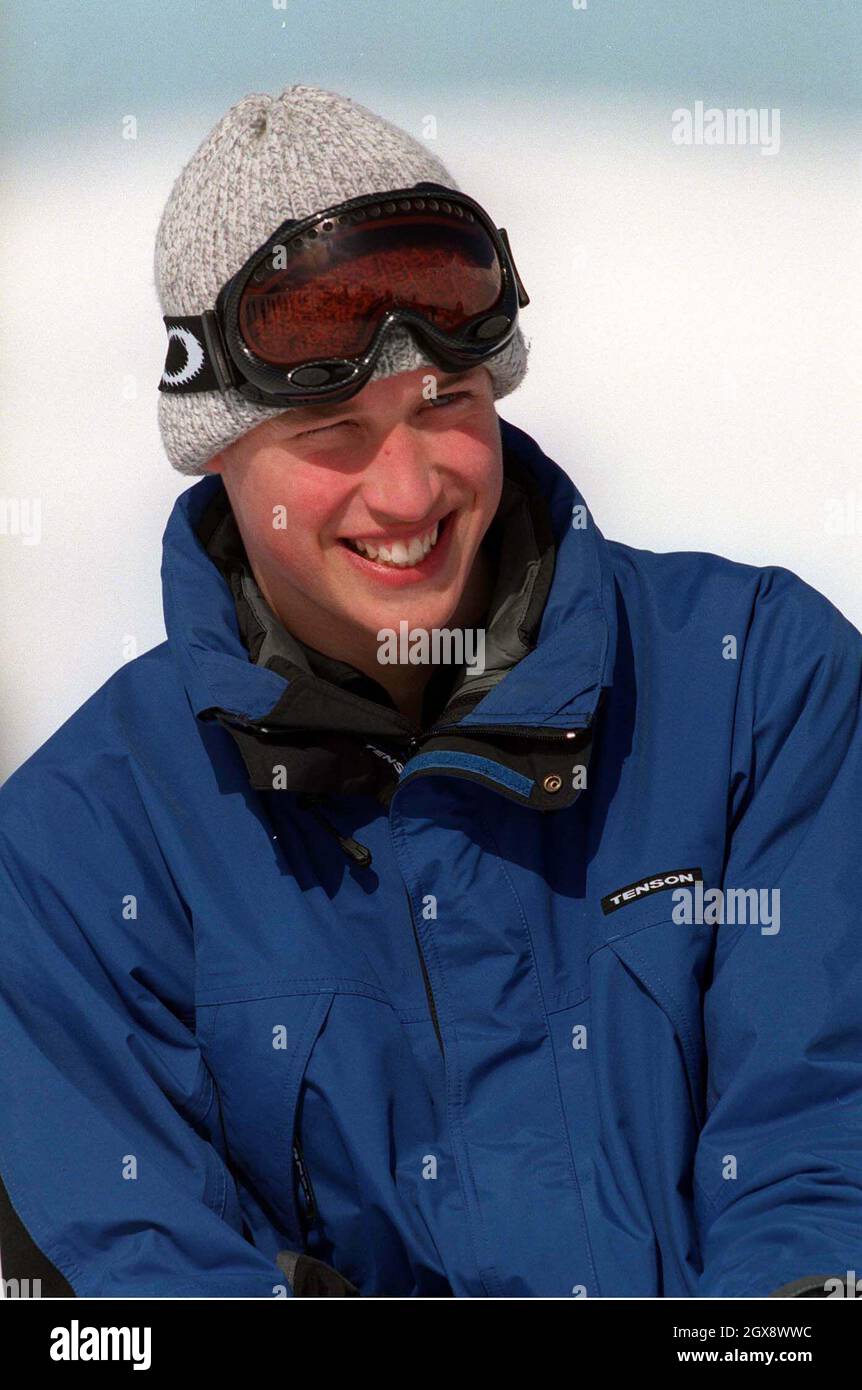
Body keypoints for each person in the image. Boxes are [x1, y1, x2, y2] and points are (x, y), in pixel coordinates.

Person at [0, 84, 859, 1300]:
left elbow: (821, 1154)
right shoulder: (73, 856)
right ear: (218, 453)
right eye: (334, 432)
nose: (404, 494)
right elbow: (136, 1277)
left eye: (444, 406)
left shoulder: (761, 688)